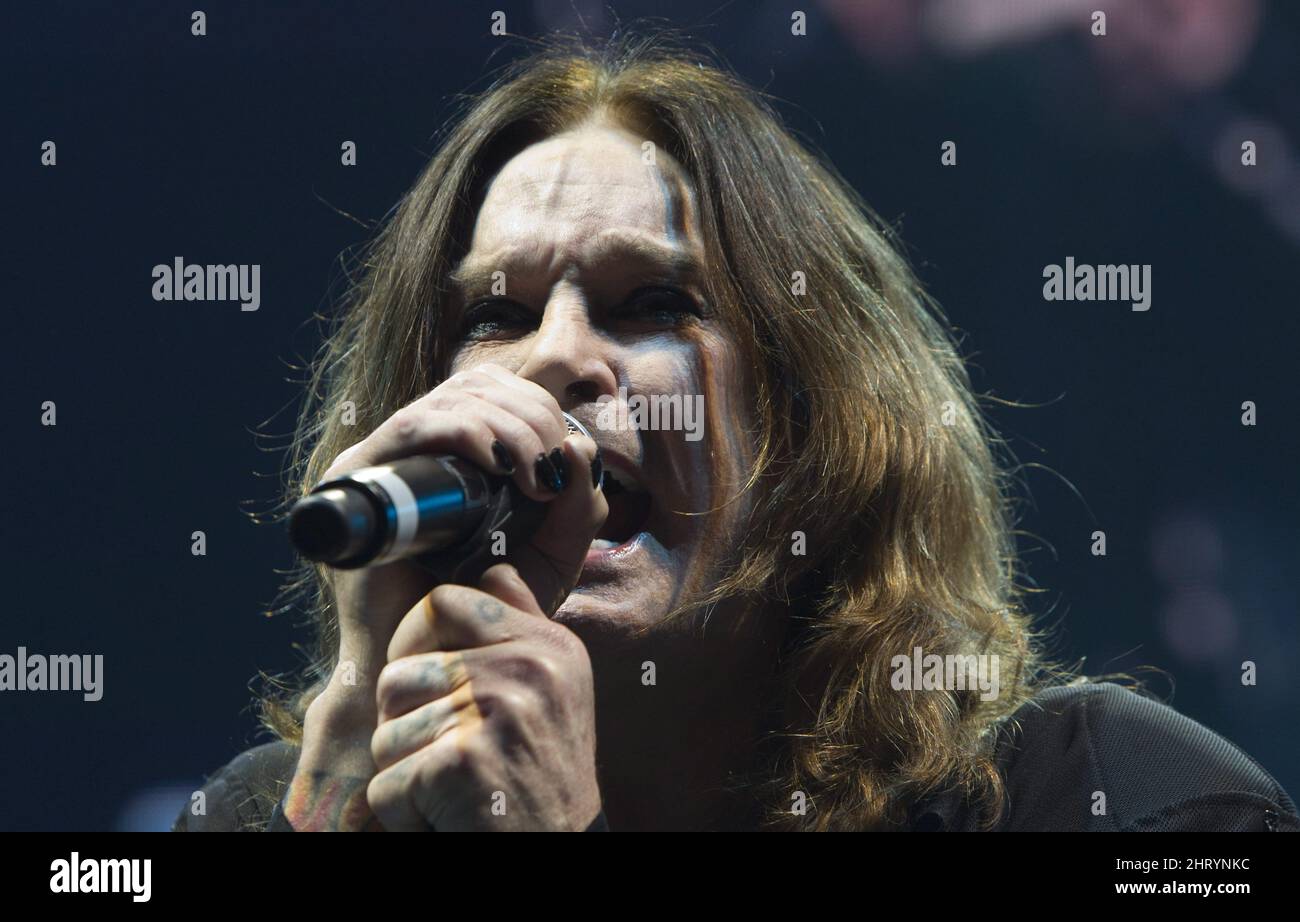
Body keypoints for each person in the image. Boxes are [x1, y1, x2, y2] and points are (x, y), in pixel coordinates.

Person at [175, 36, 1297, 832]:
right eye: (496, 315)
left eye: (651, 303)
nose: (553, 358)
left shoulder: (1114, 797)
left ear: (817, 424)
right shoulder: (263, 809)